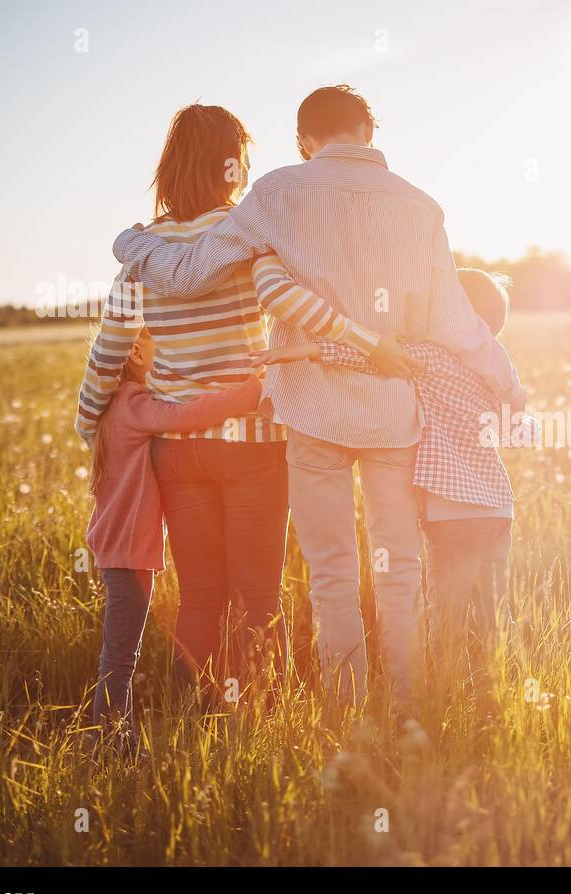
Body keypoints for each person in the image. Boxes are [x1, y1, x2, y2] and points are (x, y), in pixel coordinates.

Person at [110, 86, 525, 707]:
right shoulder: (422, 208)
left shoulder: (278, 191)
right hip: (391, 413)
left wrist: (130, 242)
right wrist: (510, 387)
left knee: (332, 573)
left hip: (312, 412)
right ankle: (406, 702)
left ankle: (344, 704)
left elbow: (189, 273)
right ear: (369, 129)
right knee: (399, 570)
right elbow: (454, 324)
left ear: (305, 140)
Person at [76, 103, 389, 692]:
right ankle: (255, 713)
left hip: (178, 448)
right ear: (233, 165)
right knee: (257, 594)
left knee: (199, 594)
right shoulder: (246, 236)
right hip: (254, 440)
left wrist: (89, 420)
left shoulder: (143, 253)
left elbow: (109, 351)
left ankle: (189, 712)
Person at [250, 262, 534, 672]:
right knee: (494, 616)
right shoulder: (496, 369)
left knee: (448, 621)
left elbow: (368, 357)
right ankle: (496, 695)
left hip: (450, 514)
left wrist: (306, 349)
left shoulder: (432, 357)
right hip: (496, 509)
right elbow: (518, 421)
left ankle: (444, 698)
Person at [83, 325, 262, 741]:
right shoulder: (133, 402)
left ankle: (116, 741)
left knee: (122, 653)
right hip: (127, 552)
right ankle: (106, 741)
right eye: (156, 342)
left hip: (120, 549)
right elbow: (184, 415)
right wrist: (248, 393)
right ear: (139, 357)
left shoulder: (110, 406)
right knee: (121, 656)